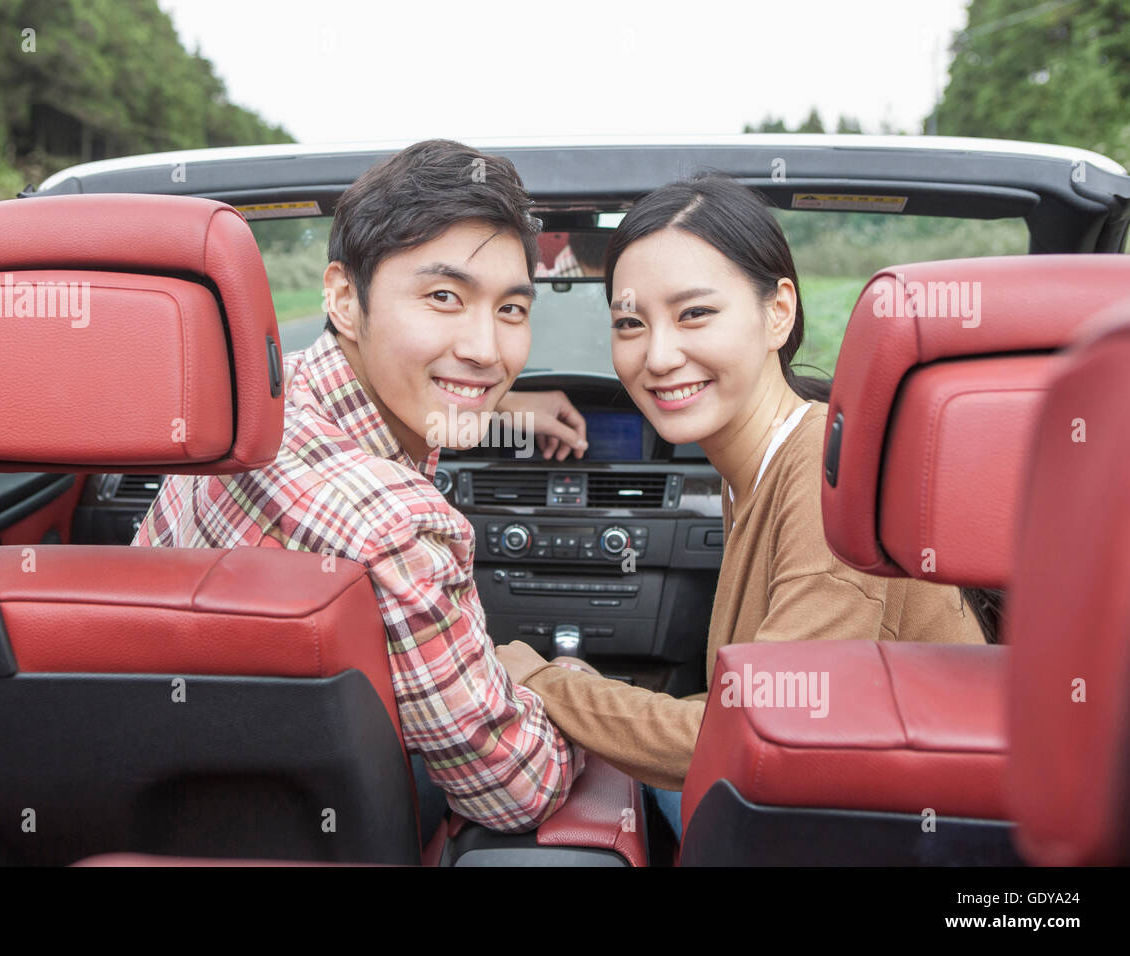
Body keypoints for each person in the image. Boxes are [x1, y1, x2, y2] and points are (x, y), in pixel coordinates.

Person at [496, 173, 995, 842]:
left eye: (695, 313)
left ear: (778, 312)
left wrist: (542, 682)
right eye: (629, 323)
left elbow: (756, 731)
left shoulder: (824, 478)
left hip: (906, 834)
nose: (659, 354)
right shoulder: (761, 463)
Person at [134, 139, 593, 836]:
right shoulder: (397, 527)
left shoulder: (249, 408)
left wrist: (500, 406)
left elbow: (425, 392)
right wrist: (565, 684)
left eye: (510, 310)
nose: (488, 350)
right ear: (346, 299)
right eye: (444, 297)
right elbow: (513, 788)